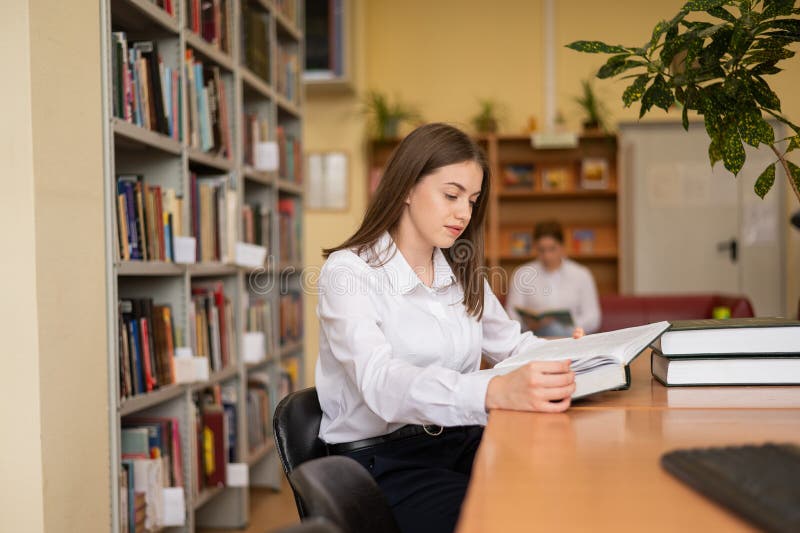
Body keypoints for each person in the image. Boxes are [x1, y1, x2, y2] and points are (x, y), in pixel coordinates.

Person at [315, 123, 577, 533]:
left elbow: (513, 345)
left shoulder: (459, 269)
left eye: (472, 200)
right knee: (500, 518)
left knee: (556, 488)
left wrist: (580, 357)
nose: (464, 213)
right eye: (451, 195)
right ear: (405, 187)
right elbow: (381, 382)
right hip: (381, 461)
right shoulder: (349, 272)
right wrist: (490, 390)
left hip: (459, 439)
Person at [505, 220, 602, 336]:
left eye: (552, 249)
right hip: (535, 338)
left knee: (555, 329)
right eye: (541, 250)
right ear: (535, 247)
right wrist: (528, 325)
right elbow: (512, 315)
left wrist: (565, 326)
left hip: (571, 338)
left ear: (562, 247)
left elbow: (593, 318)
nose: (547, 255)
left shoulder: (581, 274)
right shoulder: (522, 274)